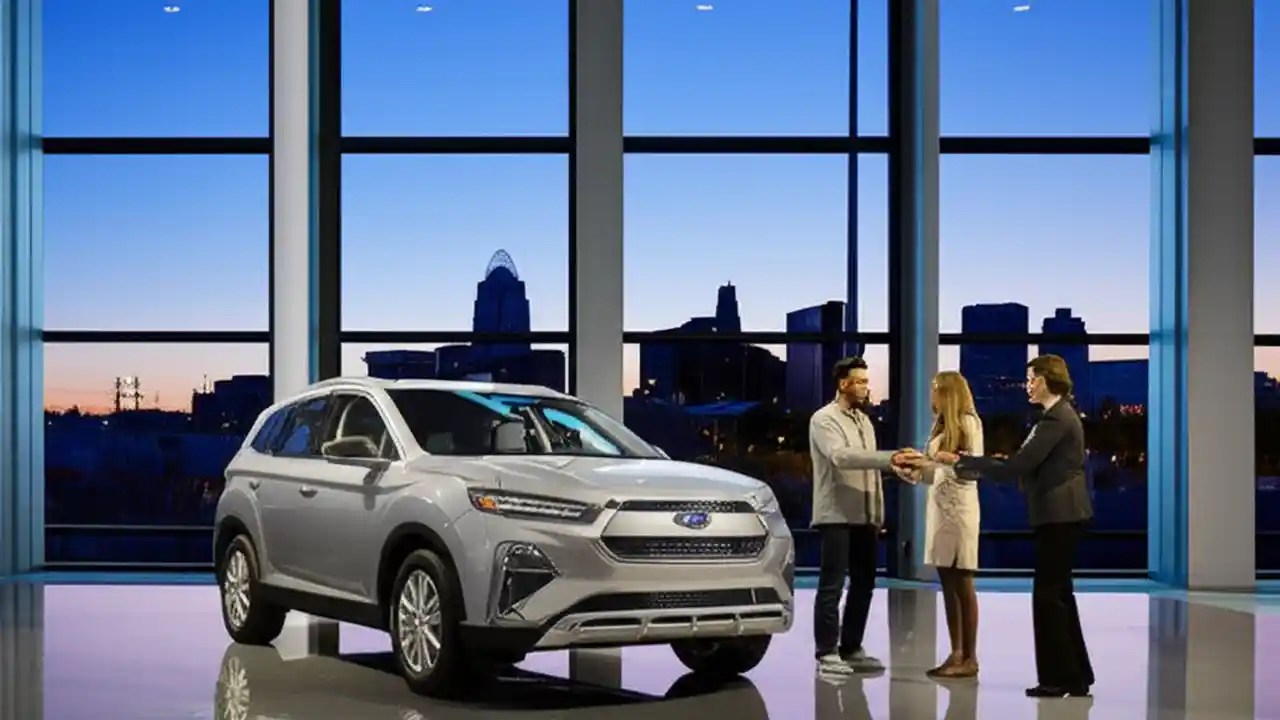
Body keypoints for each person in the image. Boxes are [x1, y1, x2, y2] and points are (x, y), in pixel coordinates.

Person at [932, 354, 1094, 698]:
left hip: (1058, 514)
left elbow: (1017, 466)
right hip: (1063, 514)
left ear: (1047, 380)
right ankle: (1076, 676)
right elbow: (1024, 463)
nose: (1028, 386)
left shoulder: (1055, 420)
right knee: (1060, 595)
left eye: (1031, 379)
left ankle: (1059, 679)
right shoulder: (1057, 416)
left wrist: (962, 461)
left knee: (1049, 598)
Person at [808, 356, 923, 676]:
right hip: (837, 514)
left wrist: (896, 471)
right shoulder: (824, 419)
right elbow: (841, 457)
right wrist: (890, 458)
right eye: (859, 381)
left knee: (864, 583)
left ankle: (851, 647)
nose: (865, 387)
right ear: (843, 384)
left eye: (865, 381)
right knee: (832, 585)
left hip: (865, 515)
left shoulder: (864, 422)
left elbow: (869, 468)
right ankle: (826, 653)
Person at [913, 370, 984, 679]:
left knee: (963, 584)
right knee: (947, 582)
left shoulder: (969, 423)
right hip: (940, 510)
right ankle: (955, 653)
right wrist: (915, 468)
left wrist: (945, 458)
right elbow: (936, 470)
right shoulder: (940, 424)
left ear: (948, 393)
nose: (932, 396)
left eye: (935, 390)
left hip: (960, 510)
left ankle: (969, 657)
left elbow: (973, 467)